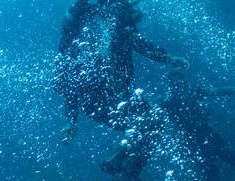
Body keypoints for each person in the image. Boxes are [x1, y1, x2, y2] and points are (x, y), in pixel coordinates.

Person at [54, 0, 186, 139]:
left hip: (118, 91)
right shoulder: (89, 42)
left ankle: (123, 156)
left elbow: (141, 45)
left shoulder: (121, 29)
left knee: (151, 126)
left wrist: (169, 58)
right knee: (146, 127)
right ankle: (120, 157)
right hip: (97, 99)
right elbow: (74, 83)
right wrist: (71, 120)